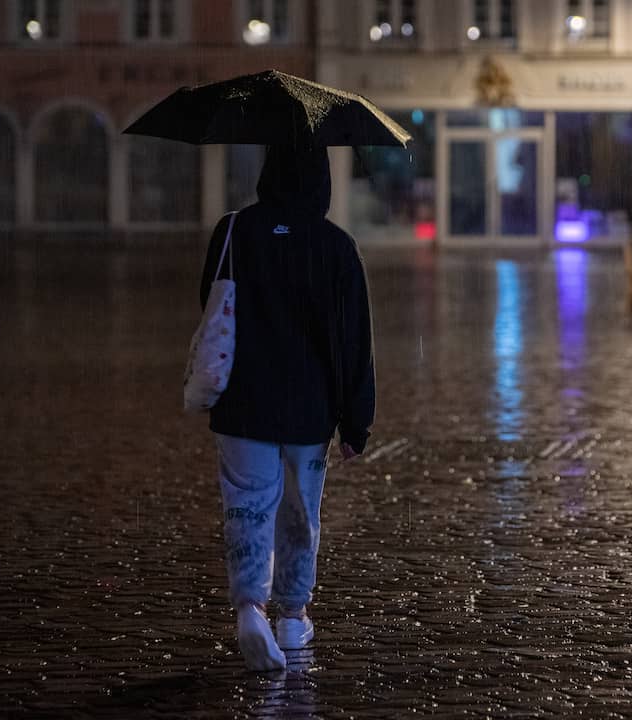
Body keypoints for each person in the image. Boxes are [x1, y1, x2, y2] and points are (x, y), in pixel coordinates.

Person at [198, 143, 376, 672]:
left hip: (242, 400)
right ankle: (293, 617)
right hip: (309, 408)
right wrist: (355, 421)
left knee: (248, 504)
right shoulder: (336, 246)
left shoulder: (233, 232)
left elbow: (210, 305)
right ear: (323, 182)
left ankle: (250, 605)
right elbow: (354, 342)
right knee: (299, 514)